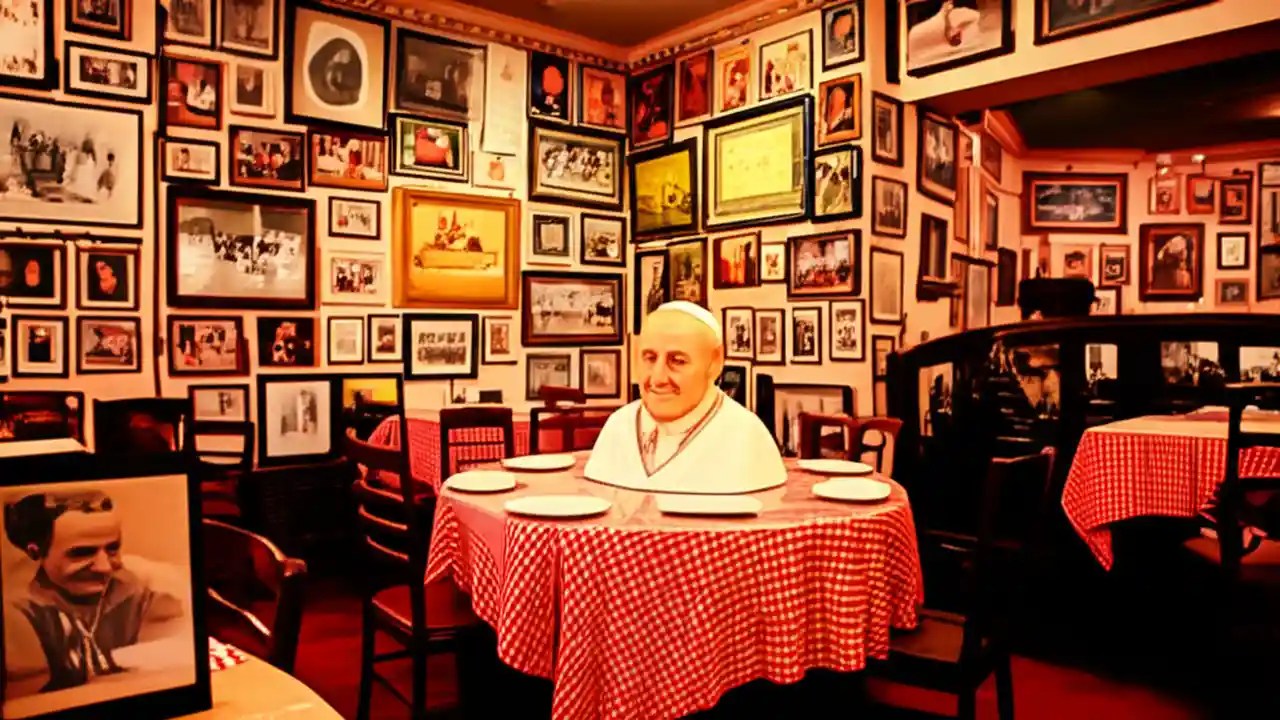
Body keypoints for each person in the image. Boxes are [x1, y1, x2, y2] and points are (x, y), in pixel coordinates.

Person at [584, 301, 787, 493]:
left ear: (714, 363)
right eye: (650, 358)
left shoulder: (746, 436)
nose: (658, 378)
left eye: (678, 361)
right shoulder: (619, 425)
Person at [4, 490, 184, 698]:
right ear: (35, 552)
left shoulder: (140, 593)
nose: (105, 567)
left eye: (113, 549)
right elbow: (27, 698)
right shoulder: (18, 608)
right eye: (81, 553)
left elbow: (166, 672)